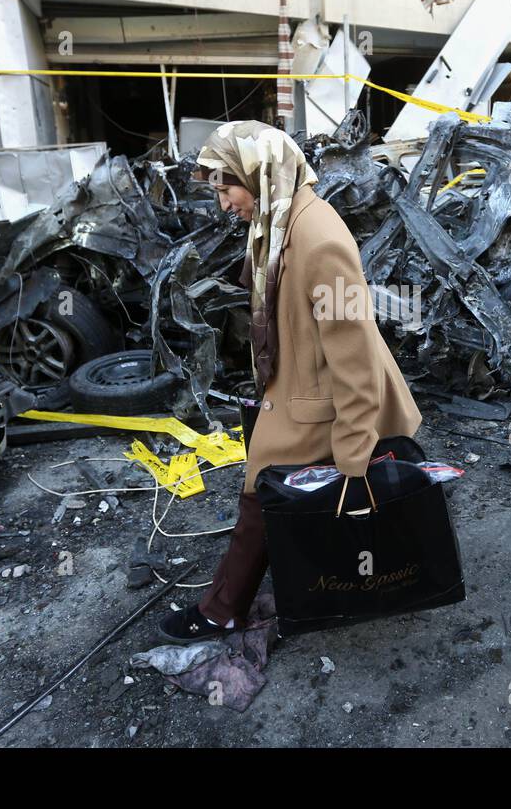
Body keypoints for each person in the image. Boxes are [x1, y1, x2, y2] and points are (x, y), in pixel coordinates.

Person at [156, 120, 422, 643]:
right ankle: (280, 595)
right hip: (296, 391)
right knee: (273, 502)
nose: (224, 203)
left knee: (262, 498)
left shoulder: (317, 238)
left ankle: (222, 610)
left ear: (258, 173)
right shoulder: (281, 220)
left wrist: (352, 447)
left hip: (322, 403)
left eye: (227, 187)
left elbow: (357, 354)